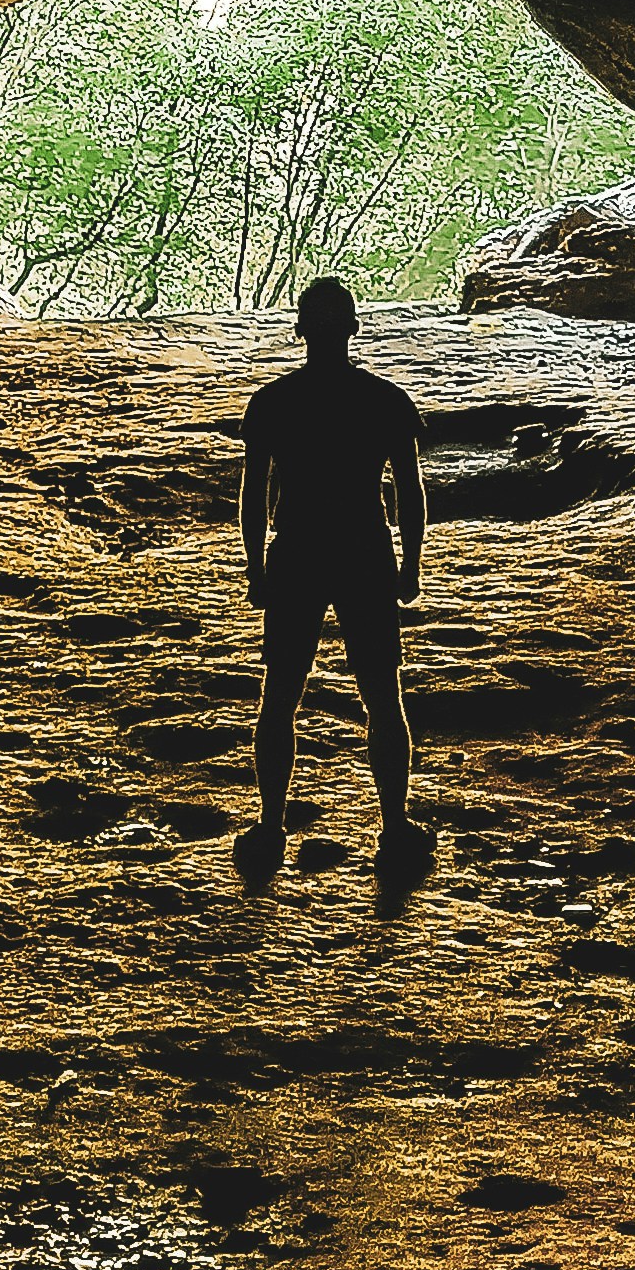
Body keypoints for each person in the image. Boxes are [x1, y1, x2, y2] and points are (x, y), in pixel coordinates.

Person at [237, 277, 431, 869]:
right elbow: (410, 494)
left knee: (281, 693)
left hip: (297, 550)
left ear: (298, 330)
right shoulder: (385, 400)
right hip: (363, 551)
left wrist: (256, 567)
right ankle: (395, 827)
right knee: (381, 692)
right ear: (352, 327)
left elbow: (253, 496)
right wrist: (410, 564)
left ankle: (271, 828)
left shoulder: (274, 402)